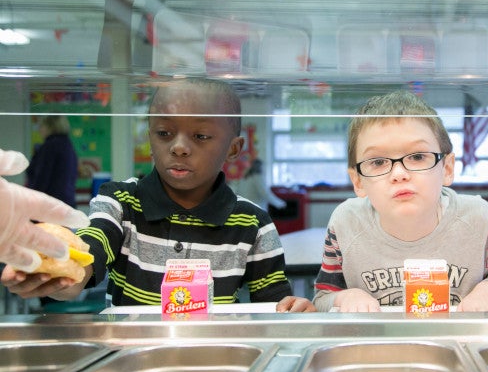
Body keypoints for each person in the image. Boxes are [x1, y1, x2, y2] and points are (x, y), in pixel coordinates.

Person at [1, 78, 314, 312]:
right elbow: (90, 251)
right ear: (150, 137)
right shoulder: (120, 203)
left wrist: (295, 309)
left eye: (201, 136)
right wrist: (63, 278)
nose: (178, 146)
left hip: (215, 355)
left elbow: (274, 305)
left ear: (233, 148)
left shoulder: (253, 223)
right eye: (164, 133)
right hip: (127, 357)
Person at [313, 90, 488, 312]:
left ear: (447, 168)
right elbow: (324, 295)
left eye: (418, 157)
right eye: (378, 162)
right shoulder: (345, 222)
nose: (399, 173)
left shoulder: (478, 217)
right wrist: (345, 297)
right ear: (358, 181)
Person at [0, 148, 90, 272]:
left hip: (44, 206)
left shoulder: (48, 149)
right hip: (61, 202)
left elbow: (41, 178)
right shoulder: (69, 149)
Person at [26, 115, 79, 208]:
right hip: (67, 203)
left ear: (50, 126)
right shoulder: (68, 145)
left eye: (42, 126)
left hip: (49, 206)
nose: (39, 130)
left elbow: (41, 178)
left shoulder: (50, 147)